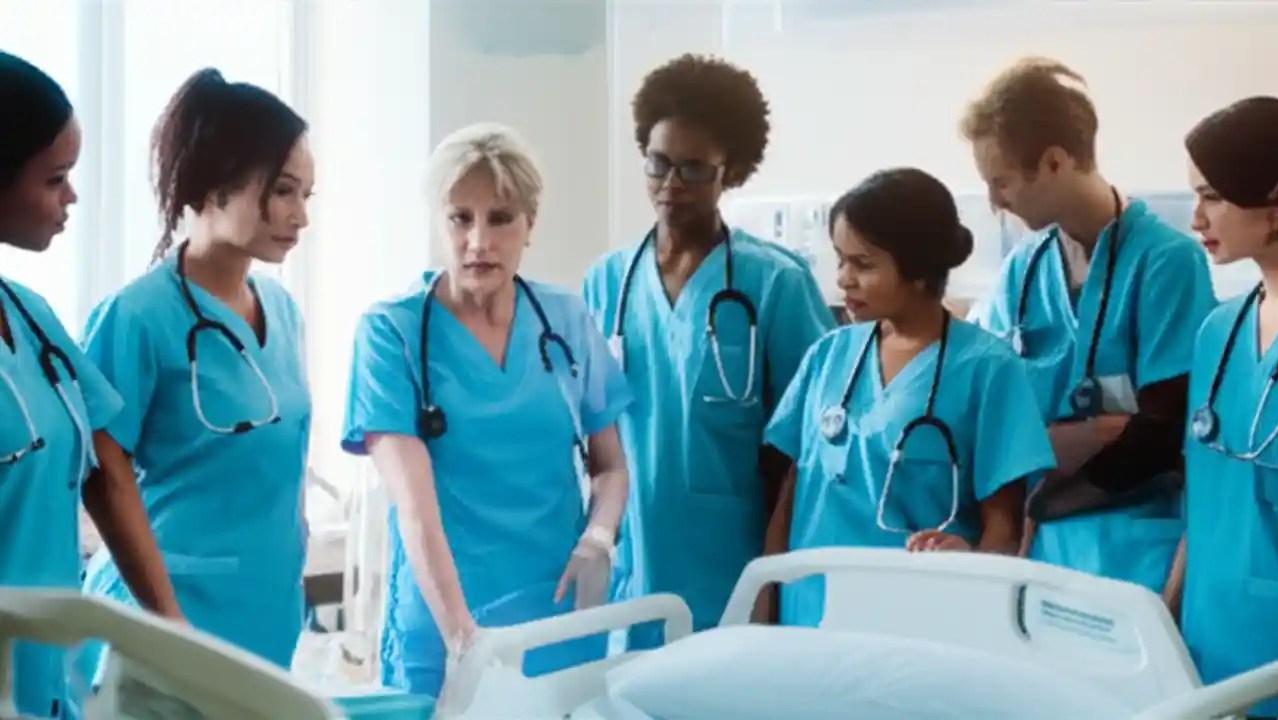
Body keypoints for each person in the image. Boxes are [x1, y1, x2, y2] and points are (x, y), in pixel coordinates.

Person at [341, 122, 632, 697]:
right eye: (460, 218)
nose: (479, 241)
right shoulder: (392, 333)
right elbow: (415, 511)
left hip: (558, 611)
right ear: (437, 222)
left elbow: (610, 466)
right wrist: (463, 640)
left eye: (501, 218)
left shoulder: (566, 319)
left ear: (530, 225)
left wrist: (598, 538)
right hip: (444, 622)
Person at [581, 53, 835, 644]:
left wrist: (778, 582)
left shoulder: (776, 284)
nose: (671, 185)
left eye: (694, 169)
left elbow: (807, 450)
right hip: (630, 571)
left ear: (735, 172)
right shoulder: (606, 283)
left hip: (734, 573)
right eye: (658, 163)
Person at [75, 68, 314, 678]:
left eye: (307, 196)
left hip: (265, 615)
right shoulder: (136, 318)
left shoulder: (282, 312)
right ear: (216, 184)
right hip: (167, 619)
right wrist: (167, 622)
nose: (300, 216)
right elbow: (105, 478)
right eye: (284, 191)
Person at [961, 57, 1216, 594]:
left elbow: (1161, 434)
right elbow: (985, 416)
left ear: (1054, 162)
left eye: (1000, 181)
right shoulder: (1024, 272)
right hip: (1045, 555)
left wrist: (1041, 461)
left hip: (1138, 554)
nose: (993, 201)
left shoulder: (1166, 264)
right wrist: (1077, 436)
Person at [759, 168, 1056, 626]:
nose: (844, 279)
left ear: (919, 270)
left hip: (919, 619)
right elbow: (789, 496)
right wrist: (764, 611)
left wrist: (973, 556)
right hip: (809, 613)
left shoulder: (986, 368)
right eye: (841, 260)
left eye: (864, 264)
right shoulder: (827, 357)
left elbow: (1005, 526)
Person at [0, 51, 179, 719]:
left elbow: (107, 471)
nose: (70, 198)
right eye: (55, 178)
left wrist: (170, 632)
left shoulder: (33, 318)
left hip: (49, 682)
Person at [1167, 96, 1278, 720]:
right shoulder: (1218, 332)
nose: (1196, 217)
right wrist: (1170, 606)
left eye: (1212, 196)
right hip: (1208, 641)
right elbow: (1206, 493)